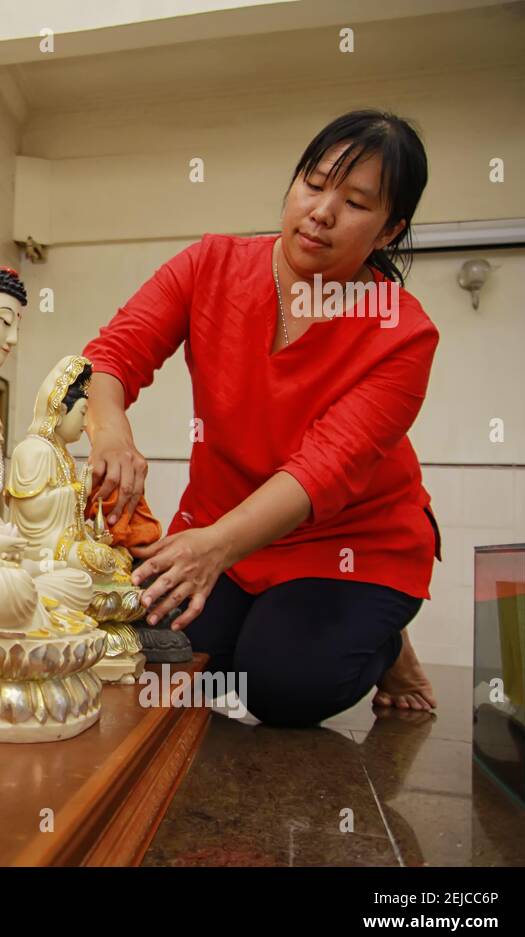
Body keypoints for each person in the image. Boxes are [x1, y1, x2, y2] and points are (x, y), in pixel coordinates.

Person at [83, 109, 441, 726]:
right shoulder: (212, 264)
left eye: (355, 202)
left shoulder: (402, 333)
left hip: (347, 541)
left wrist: (214, 549)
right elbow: (113, 354)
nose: (322, 211)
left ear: (389, 231)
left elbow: (322, 472)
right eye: (314, 182)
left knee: (281, 687)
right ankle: (265, 619)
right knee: (156, 655)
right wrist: (111, 432)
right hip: (220, 526)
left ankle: (387, 644)